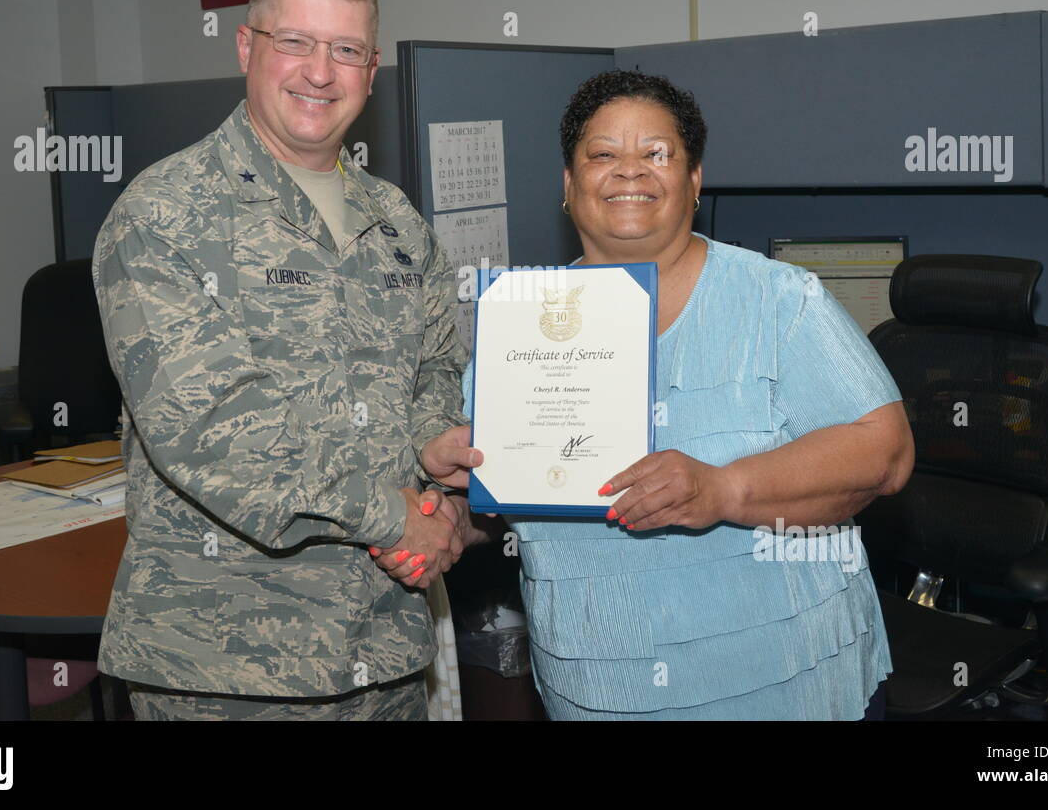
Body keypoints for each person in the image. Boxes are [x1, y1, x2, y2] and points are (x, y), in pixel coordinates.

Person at [378, 69, 914, 719]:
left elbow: (884, 453)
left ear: (693, 182)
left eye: (657, 153)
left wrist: (722, 489)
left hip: (780, 684)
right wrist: (448, 524)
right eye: (602, 155)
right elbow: (505, 501)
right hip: (601, 691)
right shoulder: (525, 320)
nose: (630, 171)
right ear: (569, 187)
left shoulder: (779, 299)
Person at [92, 0, 481, 721]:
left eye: (345, 50)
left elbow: (437, 366)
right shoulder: (164, 214)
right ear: (247, 47)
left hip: (384, 649)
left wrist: (440, 458)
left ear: (372, 72)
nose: (319, 72)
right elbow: (214, 428)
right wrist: (393, 515)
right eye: (295, 42)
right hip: (227, 668)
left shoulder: (397, 221)